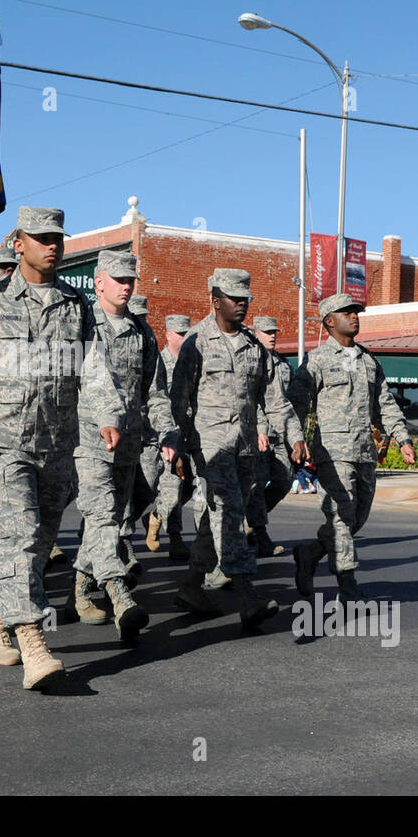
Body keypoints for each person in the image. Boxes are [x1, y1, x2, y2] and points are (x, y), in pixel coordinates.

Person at [0, 205, 125, 690]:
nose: (53, 245)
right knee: (21, 537)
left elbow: (93, 365)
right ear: (18, 242)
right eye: (41, 237)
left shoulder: (75, 304)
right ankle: (33, 644)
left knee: (39, 544)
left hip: (57, 444)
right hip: (6, 444)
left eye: (58, 237)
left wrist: (108, 412)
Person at [275, 293, 416, 603]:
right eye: (347, 312)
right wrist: (295, 439)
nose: (355, 316)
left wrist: (402, 437)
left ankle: (310, 553)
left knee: (356, 518)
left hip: (364, 450)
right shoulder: (317, 359)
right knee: (340, 517)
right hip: (332, 452)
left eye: (356, 312)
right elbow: (296, 403)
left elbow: (385, 403)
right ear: (329, 321)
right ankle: (348, 585)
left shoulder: (369, 360)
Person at [65, 250, 175, 641]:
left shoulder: (142, 333)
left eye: (131, 280)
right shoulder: (82, 324)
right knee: (103, 518)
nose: (126, 286)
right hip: (88, 441)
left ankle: (79, 590)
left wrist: (168, 433)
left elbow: (155, 393)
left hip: (127, 445)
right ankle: (118, 593)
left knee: (111, 517)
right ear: (99, 281)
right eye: (119, 279)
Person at [169, 269, 282, 629]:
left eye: (246, 297)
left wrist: (292, 435)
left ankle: (190, 586)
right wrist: (184, 446)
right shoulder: (197, 342)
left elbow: (272, 398)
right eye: (234, 298)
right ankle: (248, 594)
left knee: (217, 516)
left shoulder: (253, 345)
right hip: (211, 445)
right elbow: (179, 401)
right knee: (230, 510)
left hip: (245, 445)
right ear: (215, 300)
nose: (242, 303)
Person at [145, 314, 194, 561]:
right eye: (179, 333)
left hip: (190, 433)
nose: (184, 338)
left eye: (187, 333)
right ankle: (175, 538)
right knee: (173, 487)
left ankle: (156, 515)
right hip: (167, 436)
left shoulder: (191, 360)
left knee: (189, 488)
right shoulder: (160, 361)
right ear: (167, 334)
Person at [245, 315, 291, 559]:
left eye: (274, 331)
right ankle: (261, 535)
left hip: (281, 433)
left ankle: (252, 519)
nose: (272, 335)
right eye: (267, 331)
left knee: (285, 480)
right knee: (257, 484)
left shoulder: (283, 365)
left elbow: (288, 402)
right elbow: (251, 400)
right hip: (258, 434)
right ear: (256, 332)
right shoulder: (251, 361)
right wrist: (259, 428)